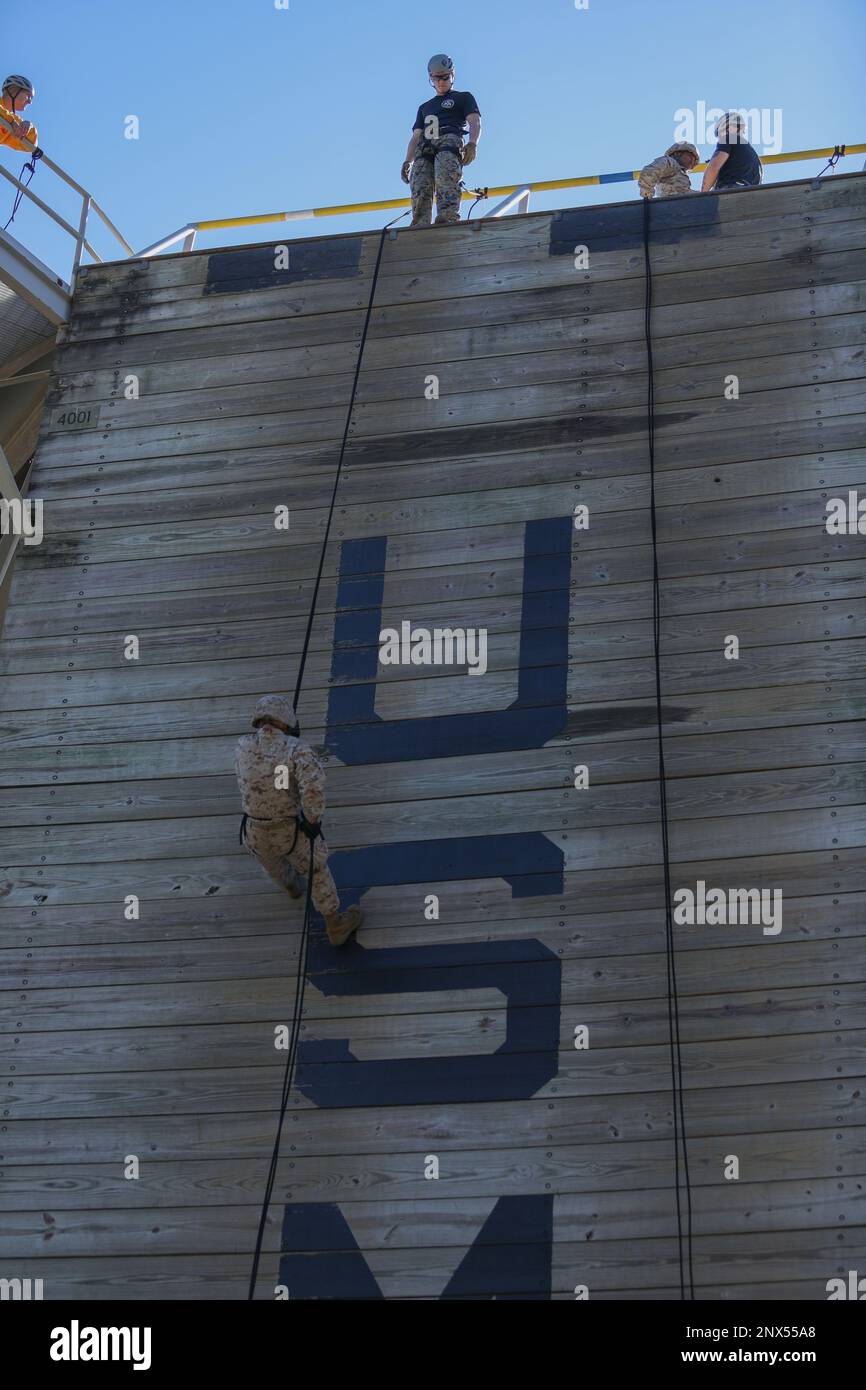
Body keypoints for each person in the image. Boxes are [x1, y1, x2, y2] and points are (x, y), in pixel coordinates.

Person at [235, 694, 363, 947]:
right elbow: (313, 788)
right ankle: (335, 925)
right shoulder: (297, 749)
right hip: (289, 831)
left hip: (253, 830)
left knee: (272, 863)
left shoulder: (241, 745)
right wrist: (313, 822)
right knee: (316, 870)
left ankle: (291, 887)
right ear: (287, 722)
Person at [401, 53, 481, 227]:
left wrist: (472, 144)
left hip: (449, 141)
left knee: (446, 175)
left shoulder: (462, 98)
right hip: (426, 146)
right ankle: (419, 224)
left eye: (444, 77)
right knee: (420, 182)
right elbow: (415, 137)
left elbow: (474, 121)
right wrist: (408, 161)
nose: (440, 82)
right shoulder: (425, 108)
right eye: (436, 79)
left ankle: (447, 218)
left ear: (452, 75)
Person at [702, 112, 763, 192]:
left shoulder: (728, 138)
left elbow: (714, 167)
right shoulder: (754, 155)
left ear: (725, 127)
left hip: (732, 191)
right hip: (752, 195)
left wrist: (703, 194)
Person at [0, 74, 38, 152]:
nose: (30, 101)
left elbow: (31, 146)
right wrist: (11, 121)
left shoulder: (16, 121)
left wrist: (28, 126)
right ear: (13, 90)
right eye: (28, 95)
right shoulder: (13, 121)